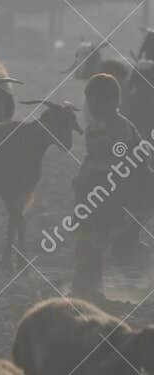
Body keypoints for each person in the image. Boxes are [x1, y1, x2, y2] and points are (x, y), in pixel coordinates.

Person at [72, 73, 142, 299]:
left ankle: (92, 285)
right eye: (90, 101)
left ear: (112, 101)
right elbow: (92, 158)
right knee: (87, 236)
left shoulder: (121, 128)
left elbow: (124, 165)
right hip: (94, 190)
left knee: (100, 237)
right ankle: (85, 284)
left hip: (115, 192)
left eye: (97, 101)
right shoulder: (95, 127)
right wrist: (82, 179)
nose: (92, 106)